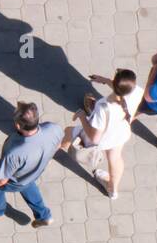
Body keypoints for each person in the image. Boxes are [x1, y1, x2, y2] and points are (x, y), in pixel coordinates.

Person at [0, 102, 63, 227]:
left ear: (18, 125)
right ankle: (44, 216)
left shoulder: (15, 152)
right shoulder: (53, 128)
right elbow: (58, 145)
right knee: (27, 184)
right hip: (34, 171)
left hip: (16, 179)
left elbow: (1, 180)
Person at [58, 68, 142, 199]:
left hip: (103, 138)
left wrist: (81, 116)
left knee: (67, 132)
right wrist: (106, 81)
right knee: (115, 158)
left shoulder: (103, 107)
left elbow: (94, 138)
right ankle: (112, 190)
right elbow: (122, 92)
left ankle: (48, 151)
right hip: (120, 133)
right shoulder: (137, 91)